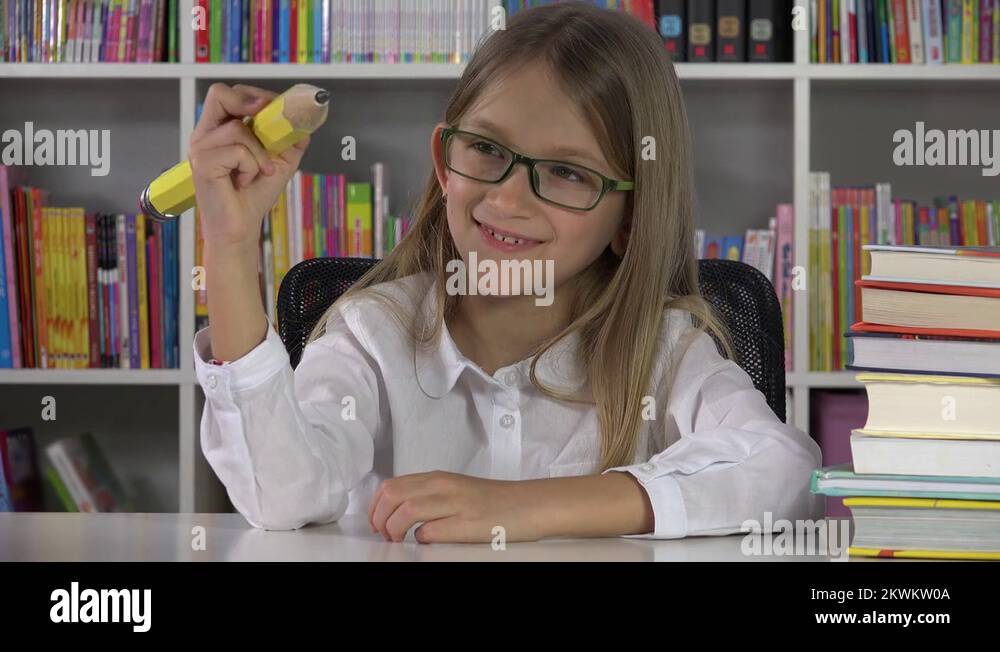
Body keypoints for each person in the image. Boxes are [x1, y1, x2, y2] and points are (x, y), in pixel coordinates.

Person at [190, 1, 822, 543]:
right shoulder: (372, 333)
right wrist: (231, 240)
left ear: (631, 217)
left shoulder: (662, 350)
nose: (509, 200)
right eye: (487, 150)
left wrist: (528, 506)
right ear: (443, 161)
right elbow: (283, 494)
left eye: (569, 172)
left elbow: (782, 467)